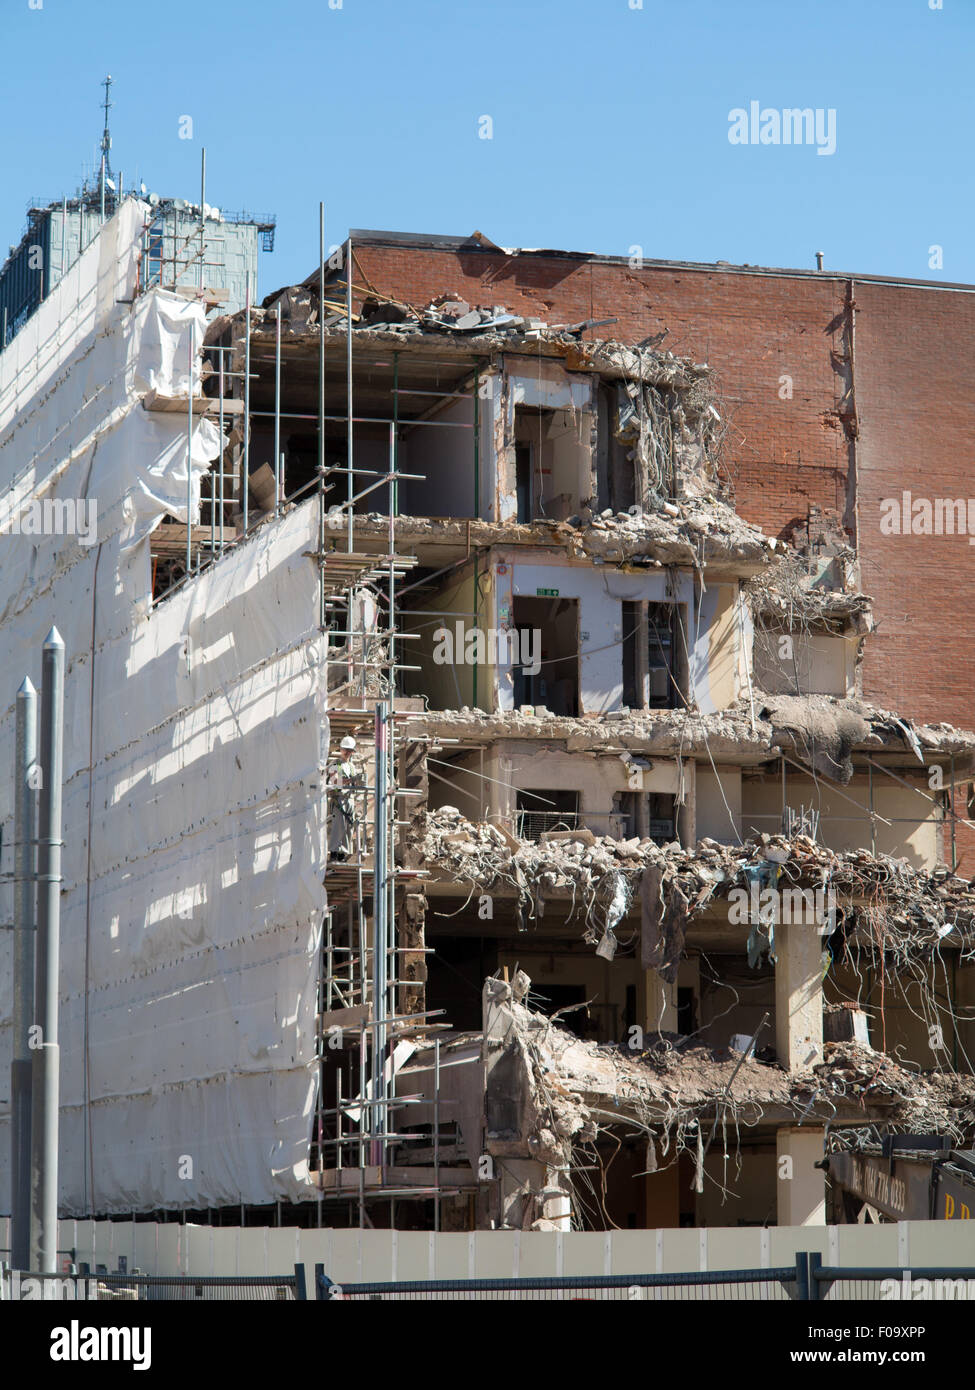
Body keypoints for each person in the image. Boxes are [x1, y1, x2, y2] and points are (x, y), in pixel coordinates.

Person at [327, 735, 362, 861]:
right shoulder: (335, 764)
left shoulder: (352, 766)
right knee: (338, 826)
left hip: (350, 799)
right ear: (341, 749)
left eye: (349, 750)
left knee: (348, 827)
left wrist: (358, 781)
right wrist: (350, 780)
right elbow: (335, 780)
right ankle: (334, 852)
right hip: (339, 799)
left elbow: (355, 784)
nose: (347, 752)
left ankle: (343, 854)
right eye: (345, 749)